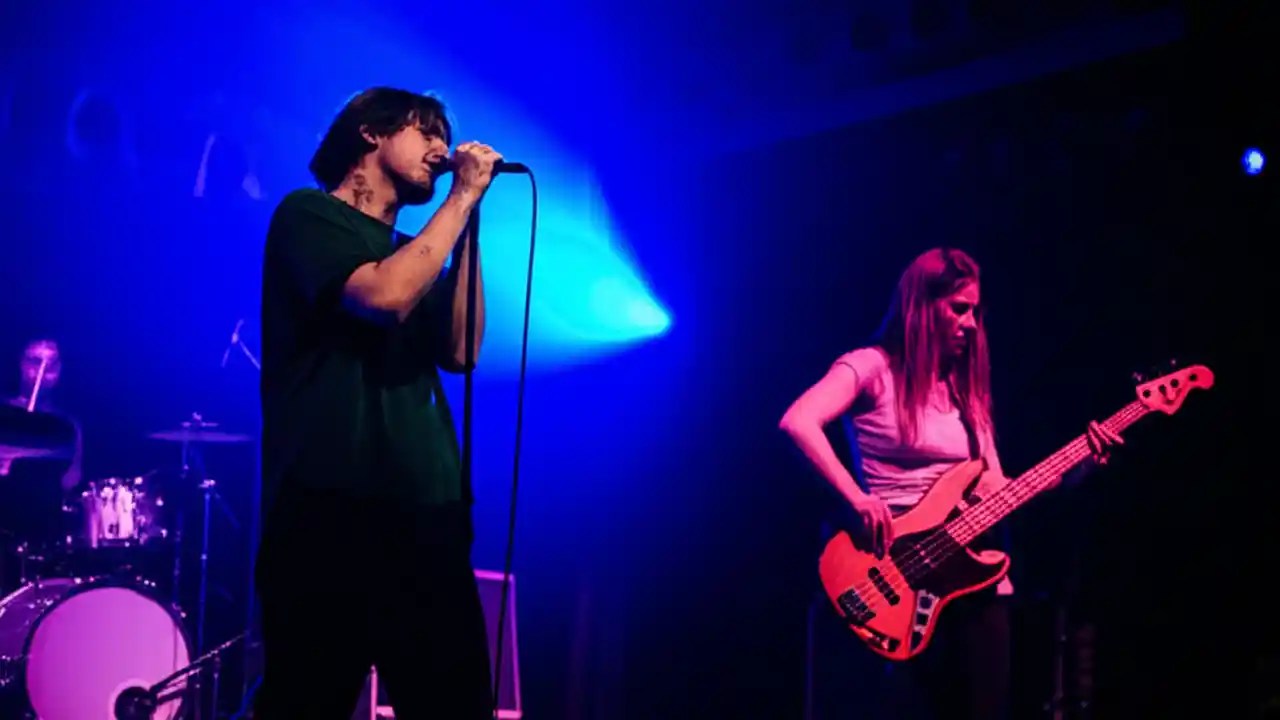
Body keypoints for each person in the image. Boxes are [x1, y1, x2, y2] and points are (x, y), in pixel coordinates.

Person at [779, 248, 1123, 720]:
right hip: (893, 580)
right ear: (923, 306)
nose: (971, 324)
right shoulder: (873, 367)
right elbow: (798, 422)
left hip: (970, 584)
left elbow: (999, 490)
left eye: (975, 312)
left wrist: (1080, 465)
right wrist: (856, 498)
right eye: (959, 309)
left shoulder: (967, 395)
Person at [254, 87, 501, 719]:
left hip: (427, 508)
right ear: (371, 132)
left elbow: (462, 351)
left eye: (446, 137)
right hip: (326, 507)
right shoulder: (309, 215)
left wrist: (466, 226)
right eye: (426, 132)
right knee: (306, 703)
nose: (442, 149)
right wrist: (459, 198)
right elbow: (382, 298)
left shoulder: (420, 249)